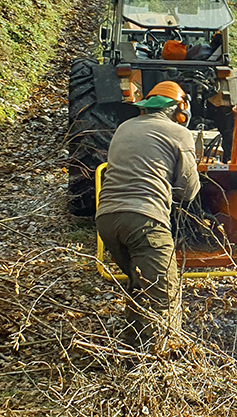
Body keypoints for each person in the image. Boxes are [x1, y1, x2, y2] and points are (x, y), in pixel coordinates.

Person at [95, 81, 200, 350]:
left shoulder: (124, 128)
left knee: (141, 288)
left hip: (106, 219)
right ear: (181, 110)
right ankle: (164, 366)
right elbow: (188, 190)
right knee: (164, 295)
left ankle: (134, 356)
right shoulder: (179, 133)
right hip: (144, 220)